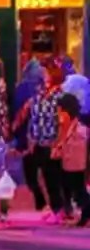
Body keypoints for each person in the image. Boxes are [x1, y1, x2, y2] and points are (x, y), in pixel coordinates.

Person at [14, 57, 71, 224]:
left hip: (51, 141)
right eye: (43, 72)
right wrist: (28, 134)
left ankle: (59, 209)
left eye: (47, 72)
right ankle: (53, 206)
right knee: (38, 175)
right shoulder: (40, 92)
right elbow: (32, 114)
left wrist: (59, 143)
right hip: (37, 141)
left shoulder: (60, 95)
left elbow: (62, 121)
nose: (43, 75)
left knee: (54, 177)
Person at [54, 96, 89, 227]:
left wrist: (60, 148)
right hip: (72, 164)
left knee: (78, 189)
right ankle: (84, 215)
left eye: (60, 110)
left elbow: (70, 145)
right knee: (76, 189)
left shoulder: (78, 129)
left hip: (75, 165)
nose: (58, 113)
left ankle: (85, 215)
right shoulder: (70, 125)